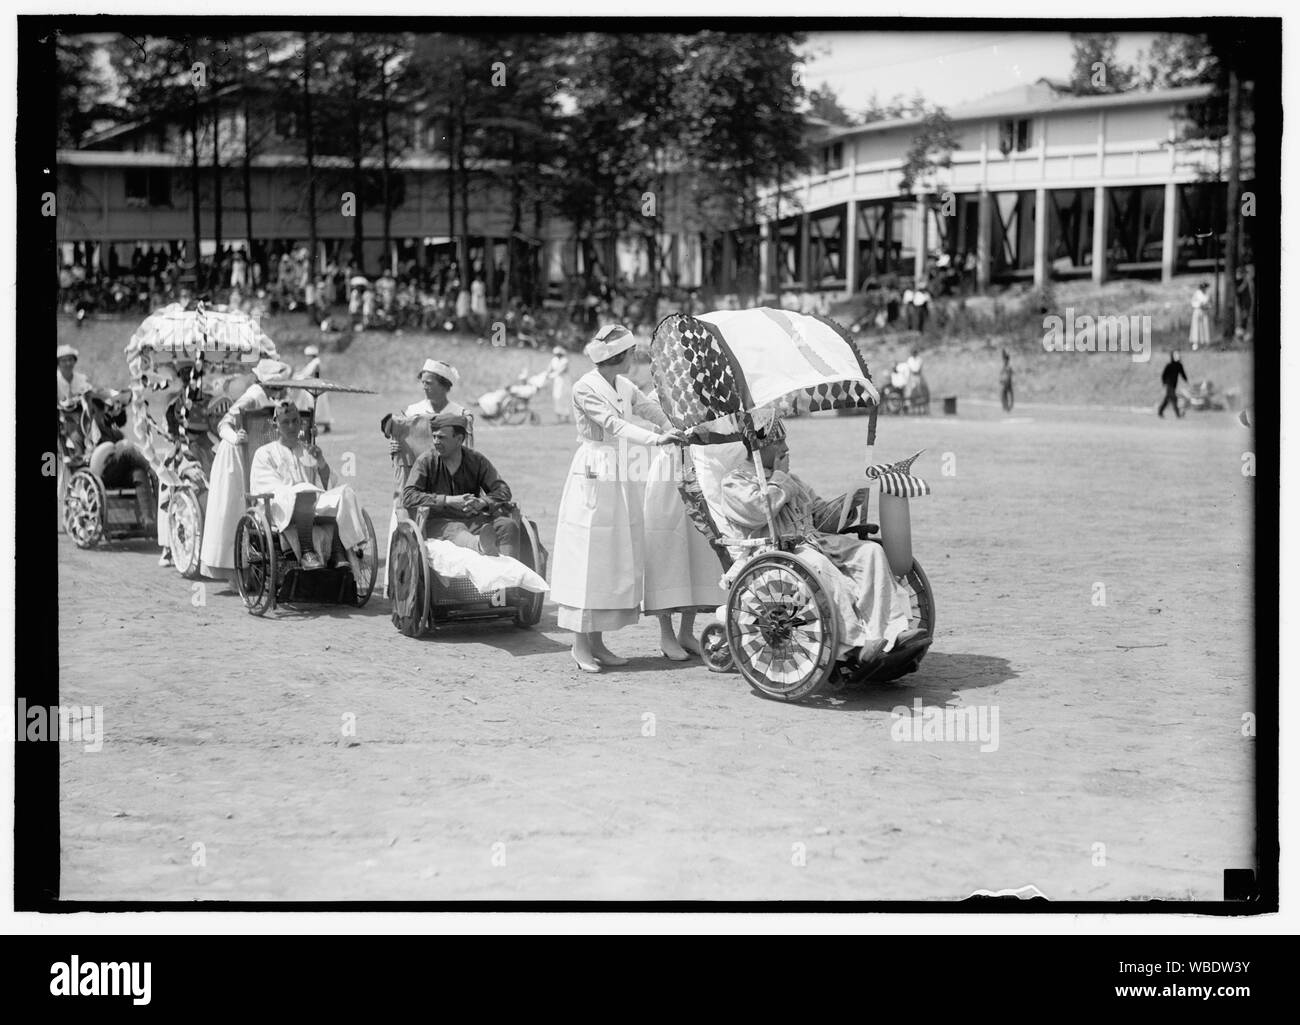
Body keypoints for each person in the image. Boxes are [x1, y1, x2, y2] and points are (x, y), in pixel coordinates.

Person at [718, 430, 919, 669]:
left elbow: (824, 519)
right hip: (775, 553)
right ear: (759, 448)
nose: (786, 448)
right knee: (820, 566)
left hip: (816, 543)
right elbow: (759, 511)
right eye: (779, 442)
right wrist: (780, 477)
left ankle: (890, 633)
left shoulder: (796, 481)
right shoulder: (734, 482)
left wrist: (846, 503)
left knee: (870, 552)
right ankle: (855, 644)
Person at [550, 324, 687, 672]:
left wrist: (675, 426)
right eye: (631, 354)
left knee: (613, 555)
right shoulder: (585, 388)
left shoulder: (623, 385)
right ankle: (580, 644)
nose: (635, 360)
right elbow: (612, 425)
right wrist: (656, 440)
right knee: (591, 555)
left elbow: (648, 409)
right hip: (595, 468)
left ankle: (598, 642)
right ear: (619, 356)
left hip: (622, 472)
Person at [248, 400, 368, 578]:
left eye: (295, 421)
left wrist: (320, 462)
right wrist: (296, 491)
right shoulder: (264, 453)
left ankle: (338, 552)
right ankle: (306, 551)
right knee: (304, 490)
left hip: (311, 504)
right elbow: (267, 487)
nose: (291, 426)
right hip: (280, 508)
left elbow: (330, 485)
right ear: (275, 425)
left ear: (301, 423)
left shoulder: (307, 451)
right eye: (285, 422)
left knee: (345, 492)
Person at [199, 358, 294, 580]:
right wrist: (236, 436)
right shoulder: (252, 396)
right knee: (234, 507)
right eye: (276, 388)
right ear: (267, 385)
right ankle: (235, 570)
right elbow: (224, 423)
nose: (280, 393)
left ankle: (254, 566)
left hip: (254, 453)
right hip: (235, 456)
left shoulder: (272, 400)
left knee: (254, 503)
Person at [642, 414, 725, 661]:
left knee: (699, 549)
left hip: (700, 469)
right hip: (669, 473)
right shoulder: (658, 397)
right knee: (667, 550)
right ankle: (665, 634)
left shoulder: (699, 392)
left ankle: (686, 632)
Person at [401, 412, 519, 558]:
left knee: (507, 525)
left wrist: (482, 502)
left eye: (442, 437)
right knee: (458, 529)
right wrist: (448, 500)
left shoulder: (476, 460)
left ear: (459, 439)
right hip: (439, 523)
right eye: (434, 436)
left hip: (474, 520)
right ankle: (480, 546)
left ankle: (510, 572)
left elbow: (503, 490)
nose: (436, 441)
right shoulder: (426, 461)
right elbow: (408, 496)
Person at [294, 344, 333, 433]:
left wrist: (299, 377)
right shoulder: (312, 363)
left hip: (315, 388)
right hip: (310, 388)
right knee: (306, 407)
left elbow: (312, 376)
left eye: (308, 356)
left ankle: (320, 425)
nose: (306, 358)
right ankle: (306, 424)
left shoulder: (316, 363)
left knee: (316, 408)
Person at [1158, 350, 1188, 419]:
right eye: (1175, 355)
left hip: (1174, 385)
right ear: (1172, 356)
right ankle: (1178, 415)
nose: (1177, 356)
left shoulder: (1179, 365)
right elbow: (1163, 375)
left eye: (1178, 355)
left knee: (1167, 399)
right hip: (1169, 384)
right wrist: (1164, 382)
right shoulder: (1169, 365)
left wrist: (1186, 381)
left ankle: (1160, 411)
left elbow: (1183, 374)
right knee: (1174, 398)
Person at [547, 346, 572, 424]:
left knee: (564, 398)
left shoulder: (565, 360)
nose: (557, 355)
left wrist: (551, 376)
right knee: (557, 397)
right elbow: (549, 368)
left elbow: (561, 371)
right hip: (557, 382)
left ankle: (566, 418)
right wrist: (547, 374)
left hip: (564, 382)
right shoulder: (554, 360)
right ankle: (559, 418)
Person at [1189, 282, 1211, 351]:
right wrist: (1199, 305)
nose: (1204, 289)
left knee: (1204, 327)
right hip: (1197, 311)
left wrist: (1207, 306)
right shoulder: (1197, 293)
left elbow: (1210, 304)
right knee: (1196, 327)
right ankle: (1195, 343)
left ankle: (1205, 343)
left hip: (1204, 312)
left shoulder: (1207, 294)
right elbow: (1192, 303)